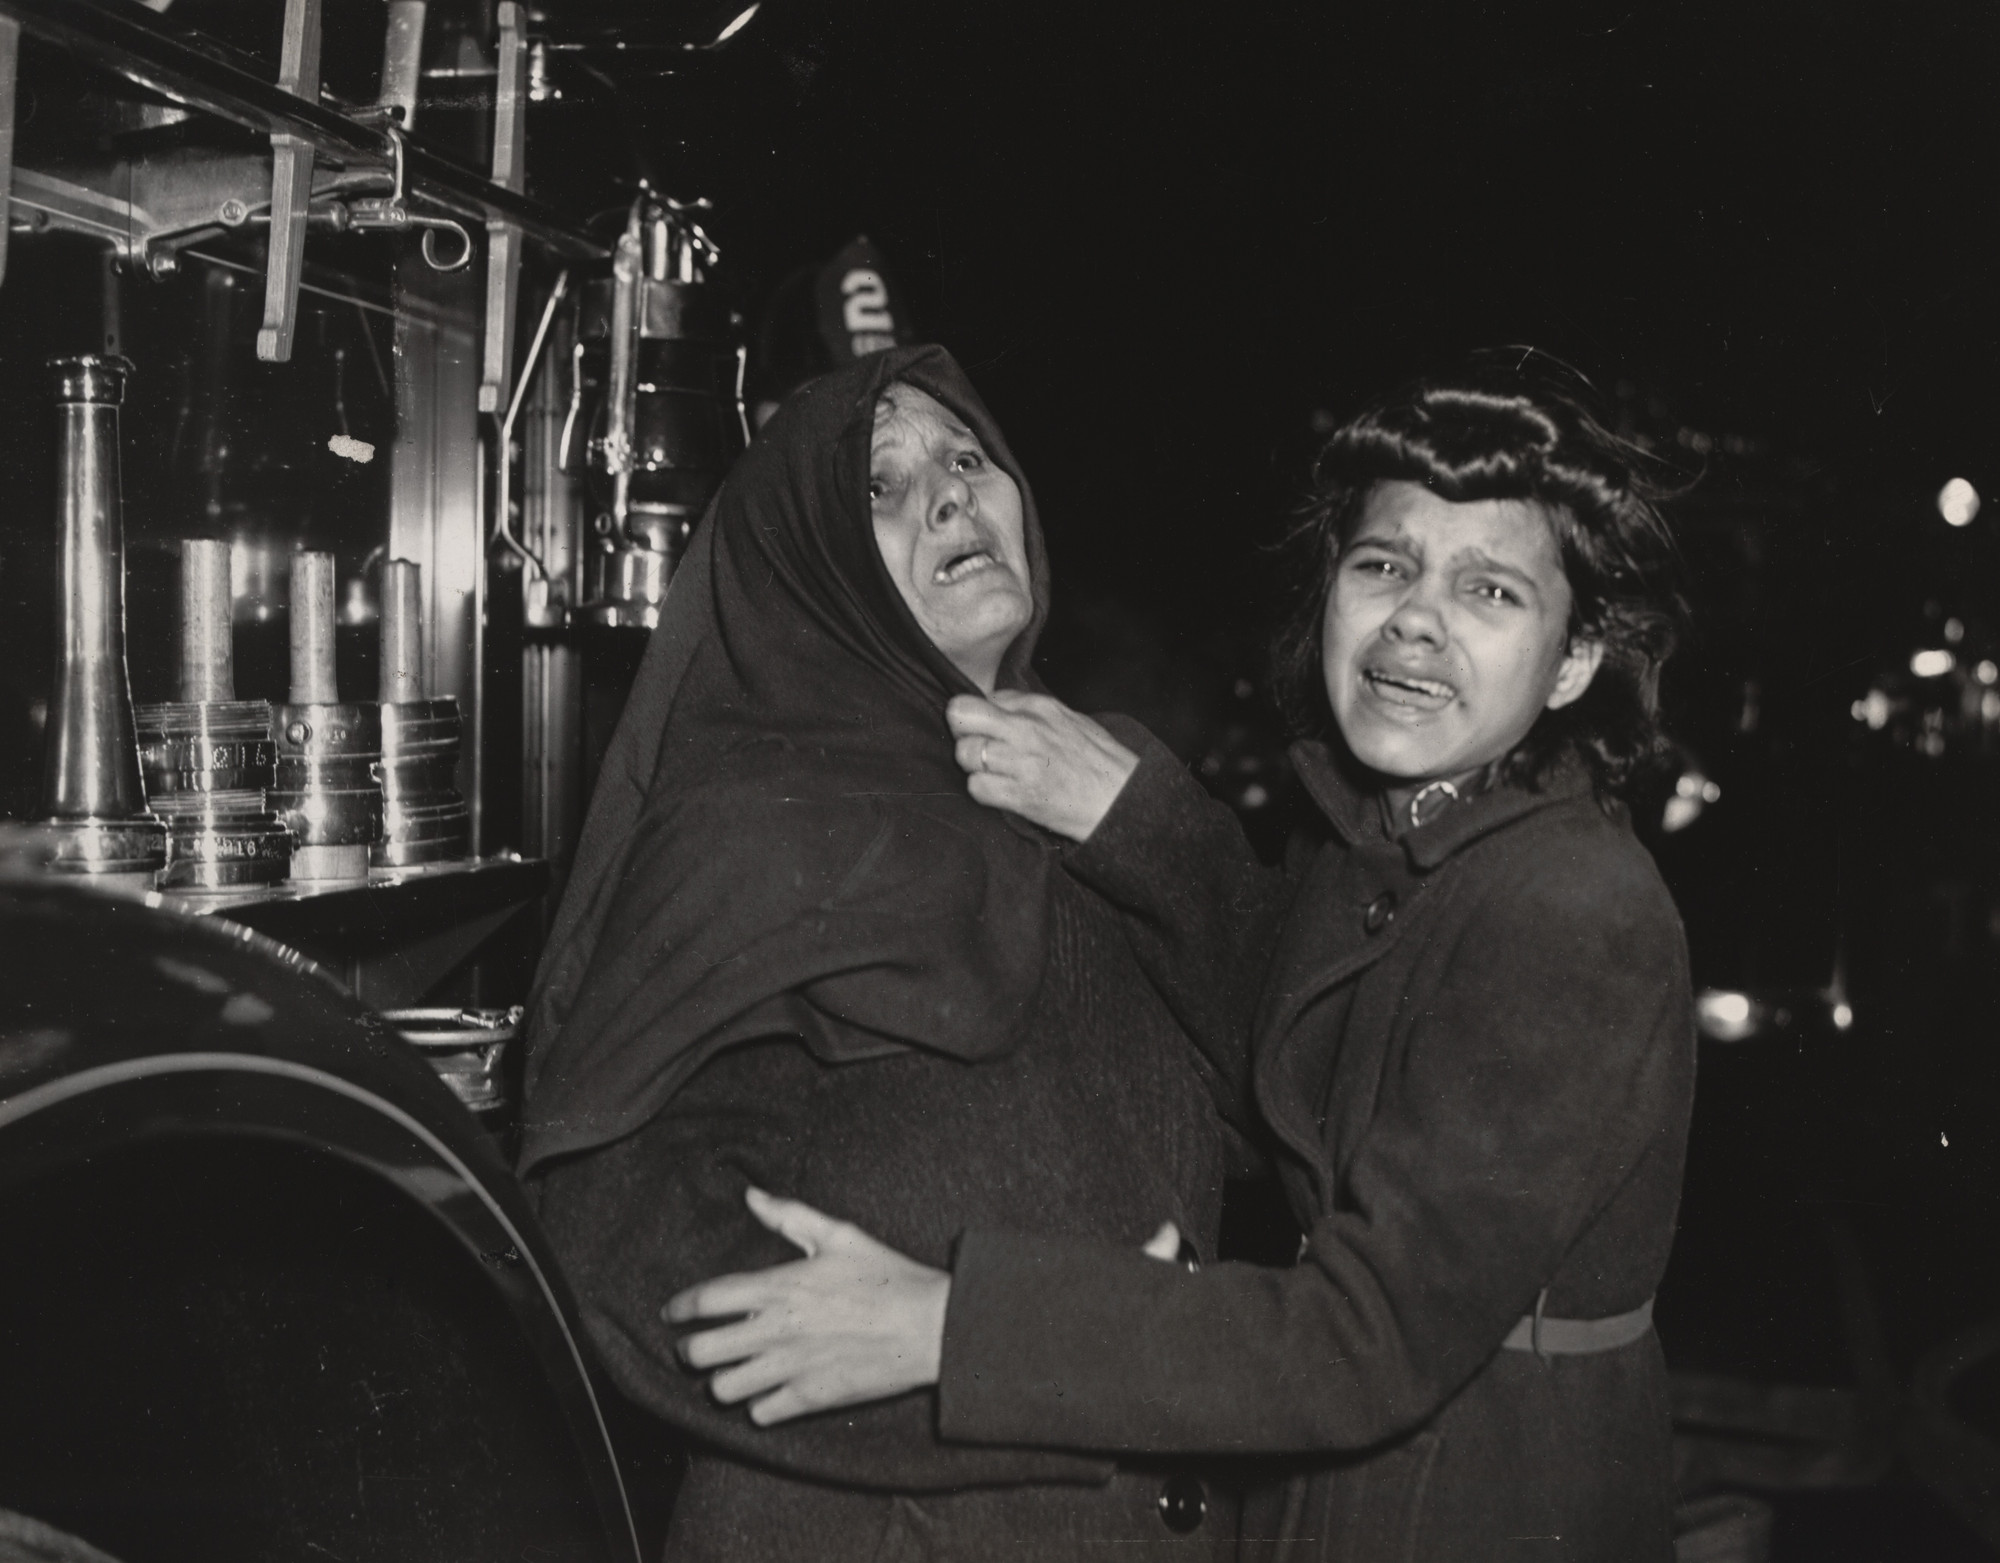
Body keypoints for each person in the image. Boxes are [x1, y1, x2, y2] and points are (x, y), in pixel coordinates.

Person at [667, 353, 1698, 1561]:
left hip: (1478, 1496)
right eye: (1381, 565)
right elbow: (1293, 1064)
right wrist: (1134, 823)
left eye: (1489, 592)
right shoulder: (1392, 831)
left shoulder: (1567, 903)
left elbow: (1363, 1340)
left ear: (1574, 661)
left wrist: (950, 1327)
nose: (1414, 617)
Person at [516, 343, 1233, 1560]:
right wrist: (1006, 1372)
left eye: (966, 458)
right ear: (813, 574)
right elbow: (616, 1240)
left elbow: (1305, 1095)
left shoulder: (1099, 779)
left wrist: (1150, 832)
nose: (950, 495)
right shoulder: (751, 825)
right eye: (880, 488)